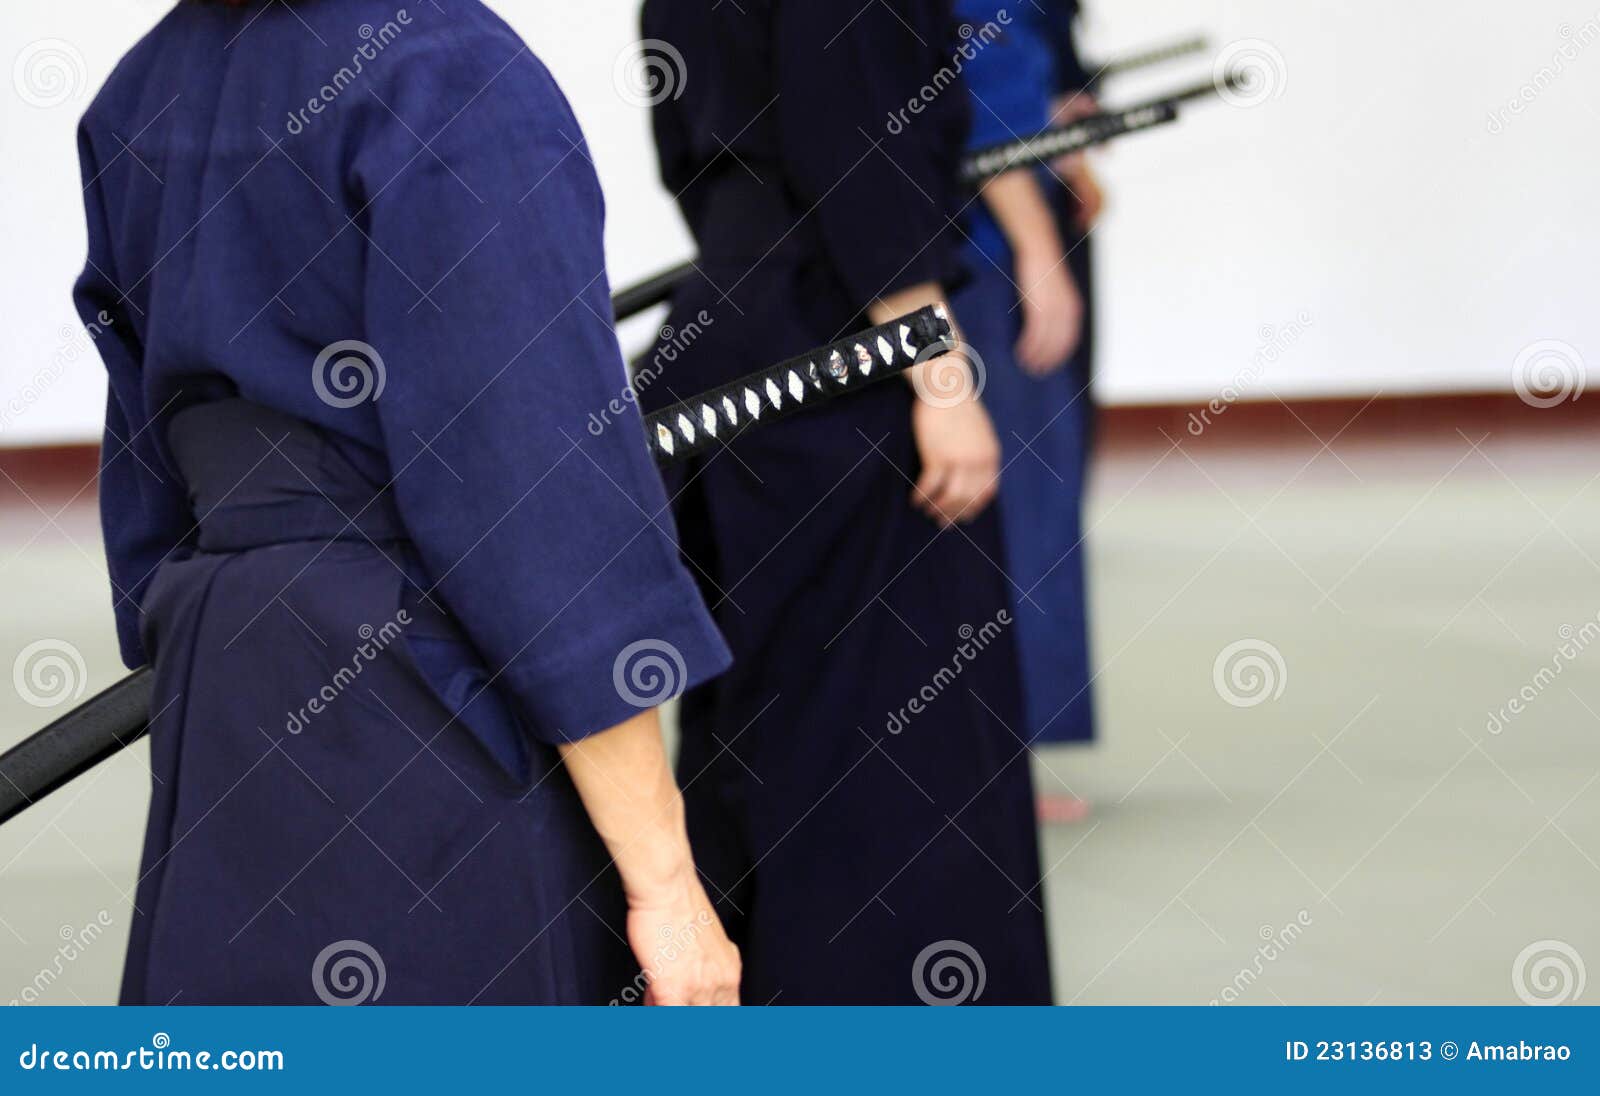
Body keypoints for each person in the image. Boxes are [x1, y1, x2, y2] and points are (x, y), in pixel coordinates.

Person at [73, 0, 740, 1005]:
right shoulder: (447, 70)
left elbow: (146, 473)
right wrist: (669, 883)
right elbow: (537, 492)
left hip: (225, 692)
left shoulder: (138, 92)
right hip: (428, 691)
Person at [638, 0, 1052, 1004]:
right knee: (898, 742)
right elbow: (859, 151)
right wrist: (940, 376)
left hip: (737, 330)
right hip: (844, 358)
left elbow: (686, 146)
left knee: (757, 725)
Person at [951, 0, 1104, 812]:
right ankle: (1002, 754)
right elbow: (987, 110)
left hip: (970, 243)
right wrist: (1038, 253)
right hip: (984, 254)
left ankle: (995, 749)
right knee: (1023, 499)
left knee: (1017, 496)